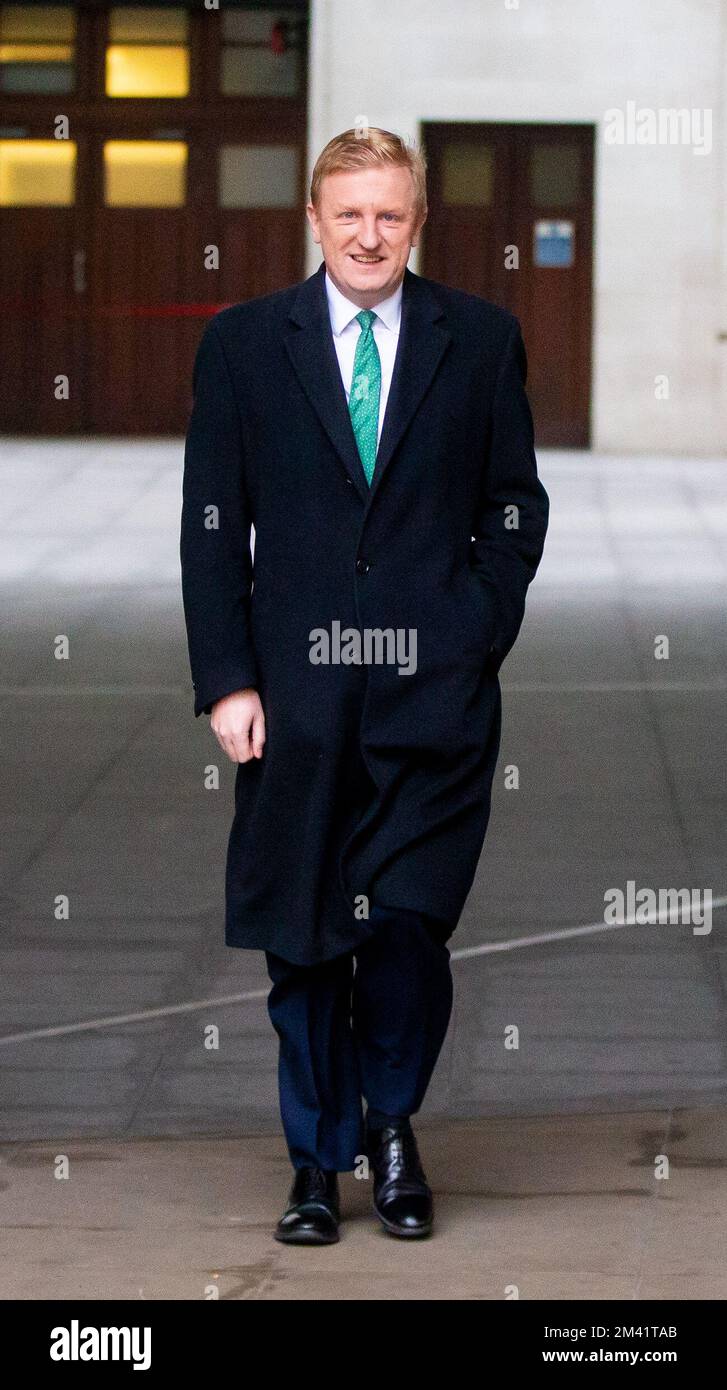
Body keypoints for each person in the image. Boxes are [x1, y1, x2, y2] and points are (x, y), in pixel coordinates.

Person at [180, 126, 549, 1244]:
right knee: (302, 942)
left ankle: (390, 1129)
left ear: (419, 219)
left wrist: (477, 626)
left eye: (390, 213)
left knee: (402, 931)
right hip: (294, 708)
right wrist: (225, 680)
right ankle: (311, 1158)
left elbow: (513, 506)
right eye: (350, 213)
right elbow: (210, 530)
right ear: (314, 217)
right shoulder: (244, 346)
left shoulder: (478, 341)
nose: (369, 234)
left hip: (432, 702)